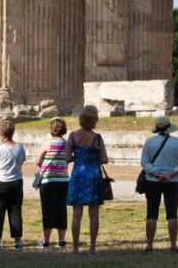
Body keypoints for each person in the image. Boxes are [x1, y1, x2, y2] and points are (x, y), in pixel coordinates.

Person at [140, 115, 178, 253]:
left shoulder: (150, 142)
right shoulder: (177, 142)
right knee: (172, 213)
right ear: (169, 128)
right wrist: (171, 174)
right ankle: (173, 245)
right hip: (172, 181)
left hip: (153, 180)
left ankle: (149, 245)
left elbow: (145, 163)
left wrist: (157, 174)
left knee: (151, 213)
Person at [66, 105, 109, 256]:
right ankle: (92, 247)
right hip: (93, 175)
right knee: (94, 213)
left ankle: (75, 248)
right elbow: (104, 159)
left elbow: (66, 158)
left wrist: (77, 157)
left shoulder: (72, 136)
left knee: (77, 213)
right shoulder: (97, 138)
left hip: (78, 174)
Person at [0, 119, 26, 250]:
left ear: (3, 135)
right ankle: (18, 241)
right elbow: (21, 161)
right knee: (15, 211)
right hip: (16, 181)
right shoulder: (19, 147)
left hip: (0, 181)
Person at [34, 117, 69, 249]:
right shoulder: (67, 144)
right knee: (61, 210)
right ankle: (61, 240)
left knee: (47, 210)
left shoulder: (47, 144)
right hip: (64, 180)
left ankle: (46, 240)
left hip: (48, 180)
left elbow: (38, 161)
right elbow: (69, 158)